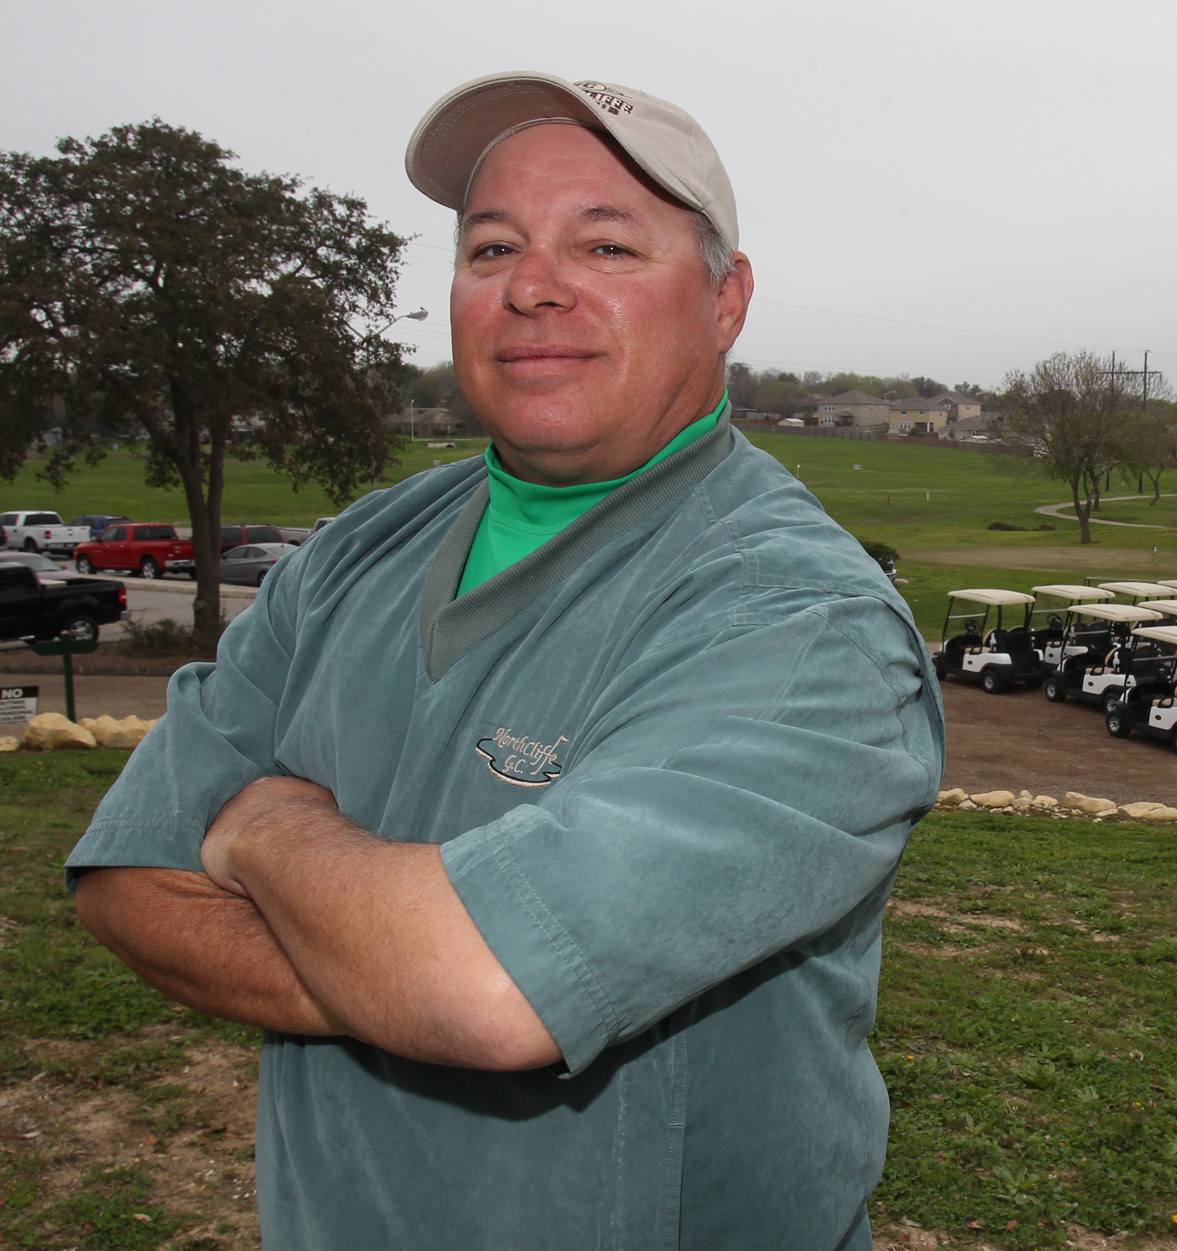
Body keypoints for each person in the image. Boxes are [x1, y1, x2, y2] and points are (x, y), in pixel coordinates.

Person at [66, 72, 944, 1250]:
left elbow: (487, 993)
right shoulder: (353, 556)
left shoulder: (795, 621)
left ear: (725, 301)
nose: (533, 287)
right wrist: (395, 962)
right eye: (490, 249)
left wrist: (264, 827)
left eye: (608, 246)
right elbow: (128, 879)